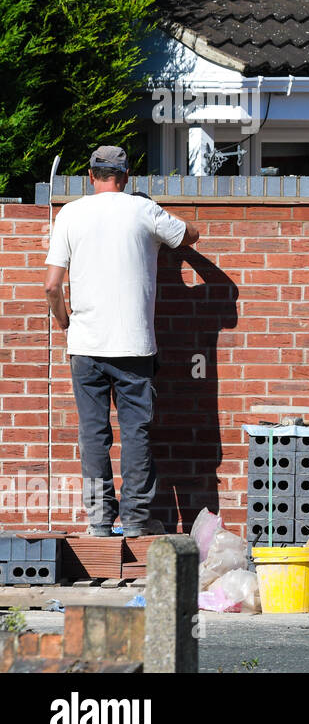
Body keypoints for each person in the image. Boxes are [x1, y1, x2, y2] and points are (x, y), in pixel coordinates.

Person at [43, 147, 200, 538]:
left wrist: (66, 322)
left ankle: (99, 522)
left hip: (85, 345)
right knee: (136, 433)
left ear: (91, 175)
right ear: (126, 176)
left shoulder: (69, 214)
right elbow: (191, 235)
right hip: (134, 346)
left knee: (93, 435)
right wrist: (154, 213)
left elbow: (50, 286)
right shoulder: (141, 211)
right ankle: (135, 521)